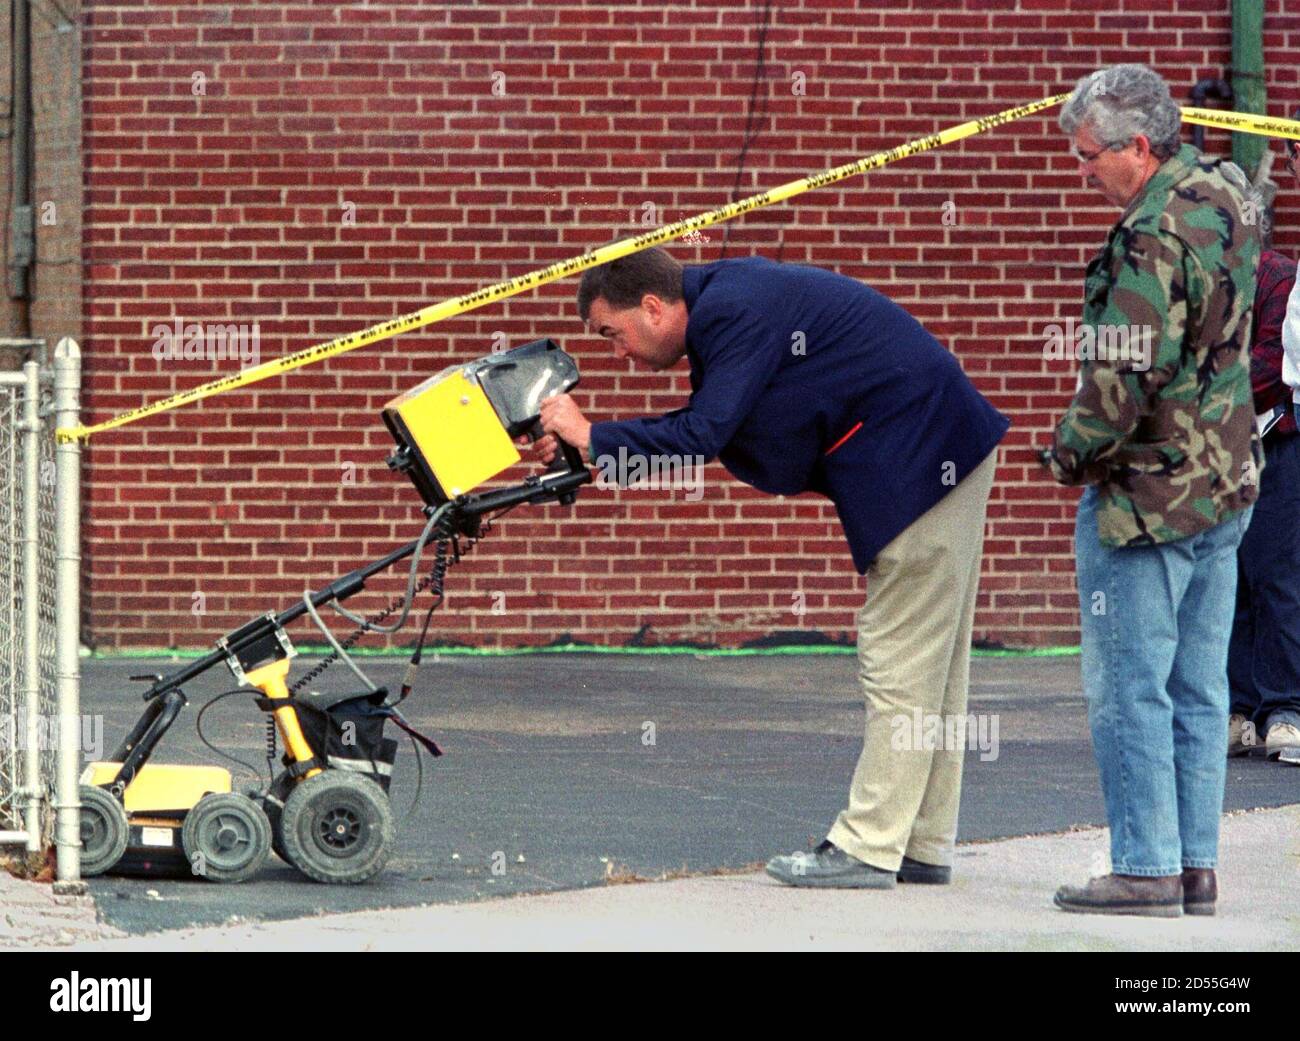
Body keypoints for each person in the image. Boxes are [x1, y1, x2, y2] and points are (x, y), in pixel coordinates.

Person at [535, 245, 1008, 889]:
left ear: (651, 307)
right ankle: (920, 843)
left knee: (897, 660)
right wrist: (600, 454)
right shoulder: (730, 305)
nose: (617, 353)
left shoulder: (734, 312)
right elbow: (720, 430)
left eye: (611, 335)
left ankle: (868, 847)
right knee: (934, 668)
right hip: (941, 449)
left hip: (923, 461)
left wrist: (593, 436)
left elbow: (704, 434)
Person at [1045, 65, 1260, 917]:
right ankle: (1195, 864)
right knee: (1202, 686)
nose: (1085, 171)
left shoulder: (1147, 235)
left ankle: (1142, 865)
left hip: (1148, 496)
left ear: (1139, 146)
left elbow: (1124, 374)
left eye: (1092, 156)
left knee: (1131, 685)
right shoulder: (1228, 192)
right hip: (1228, 479)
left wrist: (1067, 453)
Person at [1229, 242, 1300, 756]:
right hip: (1216, 447)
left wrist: (1197, 390)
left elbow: (1273, 363)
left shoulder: (1279, 278)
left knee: (1276, 575)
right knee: (1227, 579)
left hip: (1274, 442)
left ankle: (1285, 709)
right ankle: (1237, 709)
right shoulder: (1198, 277)